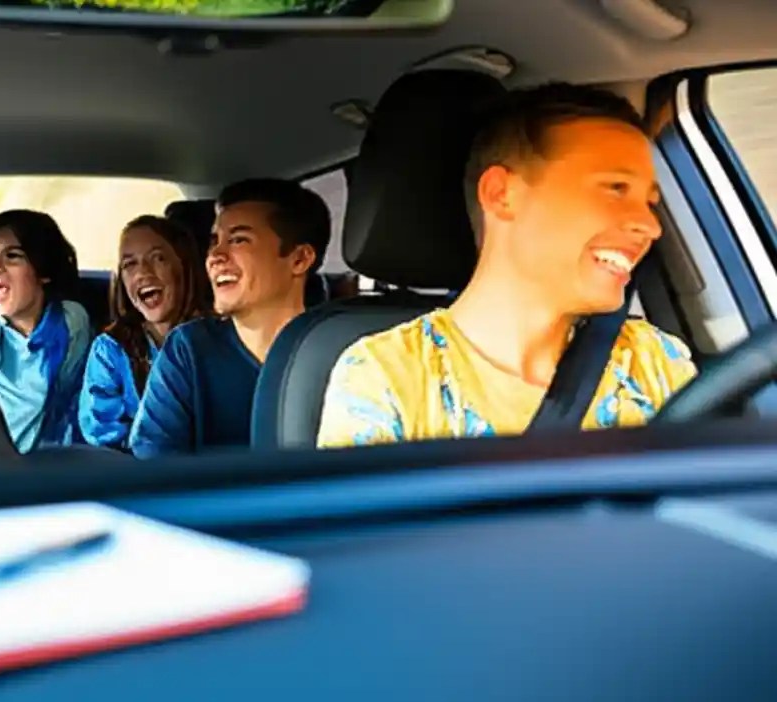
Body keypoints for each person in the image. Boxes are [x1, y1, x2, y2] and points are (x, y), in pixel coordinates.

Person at [317, 83, 698, 448]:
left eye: (648, 201)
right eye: (615, 188)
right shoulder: (385, 377)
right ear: (502, 195)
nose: (650, 225)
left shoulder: (656, 361)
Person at [129, 179, 329, 457]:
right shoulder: (189, 350)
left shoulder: (348, 354)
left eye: (238, 240)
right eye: (214, 242)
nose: (215, 256)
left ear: (299, 259)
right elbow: (155, 468)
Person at [0, 210, 92, 453]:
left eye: (13, 256)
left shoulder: (72, 320)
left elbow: (71, 398)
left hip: (49, 460)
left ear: (44, 271)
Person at [79, 215, 210, 451]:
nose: (142, 273)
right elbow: (102, 436)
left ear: (184, 265)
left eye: (158, 258)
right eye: (130, 264)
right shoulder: (111, 350)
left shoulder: (216, 337)